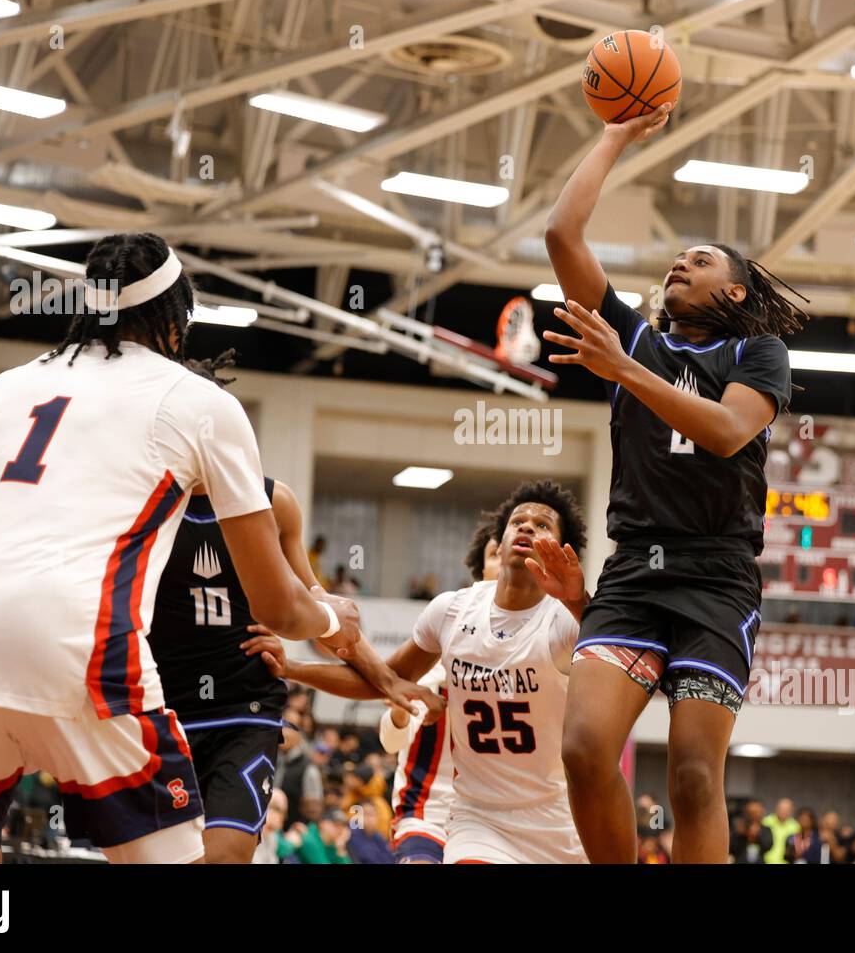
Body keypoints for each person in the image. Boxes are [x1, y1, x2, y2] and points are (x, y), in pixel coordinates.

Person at [0, 231, 363, 864]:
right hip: (81, 650)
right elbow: (275, 603)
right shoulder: (199, 402)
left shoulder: (5, 387)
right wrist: (333, 617)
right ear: (176, 317)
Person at [542, 100, 805, 865]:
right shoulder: (634, 337)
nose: (679, 264)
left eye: (701, 259)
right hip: (633, 575)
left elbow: (724, 433)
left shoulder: (758, 353)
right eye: (677, 257)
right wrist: (616, 134)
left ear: (732, 291)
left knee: (693, 777)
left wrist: (623, 370)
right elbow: (562, 235)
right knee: (586, 749)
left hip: (717, 580)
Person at [249, 480, 591, 864]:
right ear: (497, 542)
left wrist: (580, 601)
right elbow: (383, 680)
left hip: (555, 820)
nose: (527, 527)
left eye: (543, 525)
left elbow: (614, 663)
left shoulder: (565, 622)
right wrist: (292, 667)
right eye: (518, 521)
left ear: (563, 552)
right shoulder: (451, 612)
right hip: (473, 816)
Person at [149, 468, 432, 864]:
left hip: (243, 712)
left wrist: (386, 679)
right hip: (162, 709)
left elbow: (324, 612)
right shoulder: (140, 498)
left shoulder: (272, 502)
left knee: (225, 855)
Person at [377, 518, 500, 864]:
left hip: (490, 823)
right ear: (480, 569)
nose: (504, 562)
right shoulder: (443, 635)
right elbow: (390, 741)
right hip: (425, 812)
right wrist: (399, 709)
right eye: (495, 554)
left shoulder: (534, 654)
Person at [729, 799, 772, 864]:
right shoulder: (740, 829)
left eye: (757, 812)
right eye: (751, 813)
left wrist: (757, 836)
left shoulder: (766, 829)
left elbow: (768, 847)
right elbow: (732, 848)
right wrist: (742, 834)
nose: (754, 816)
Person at [762, 797, 800, 863]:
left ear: (792, 811)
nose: (784, 811)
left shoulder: (796, 826)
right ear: (776, 809)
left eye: (787, 809)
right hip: (765, 862)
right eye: (781, 809)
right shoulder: (766, 822)